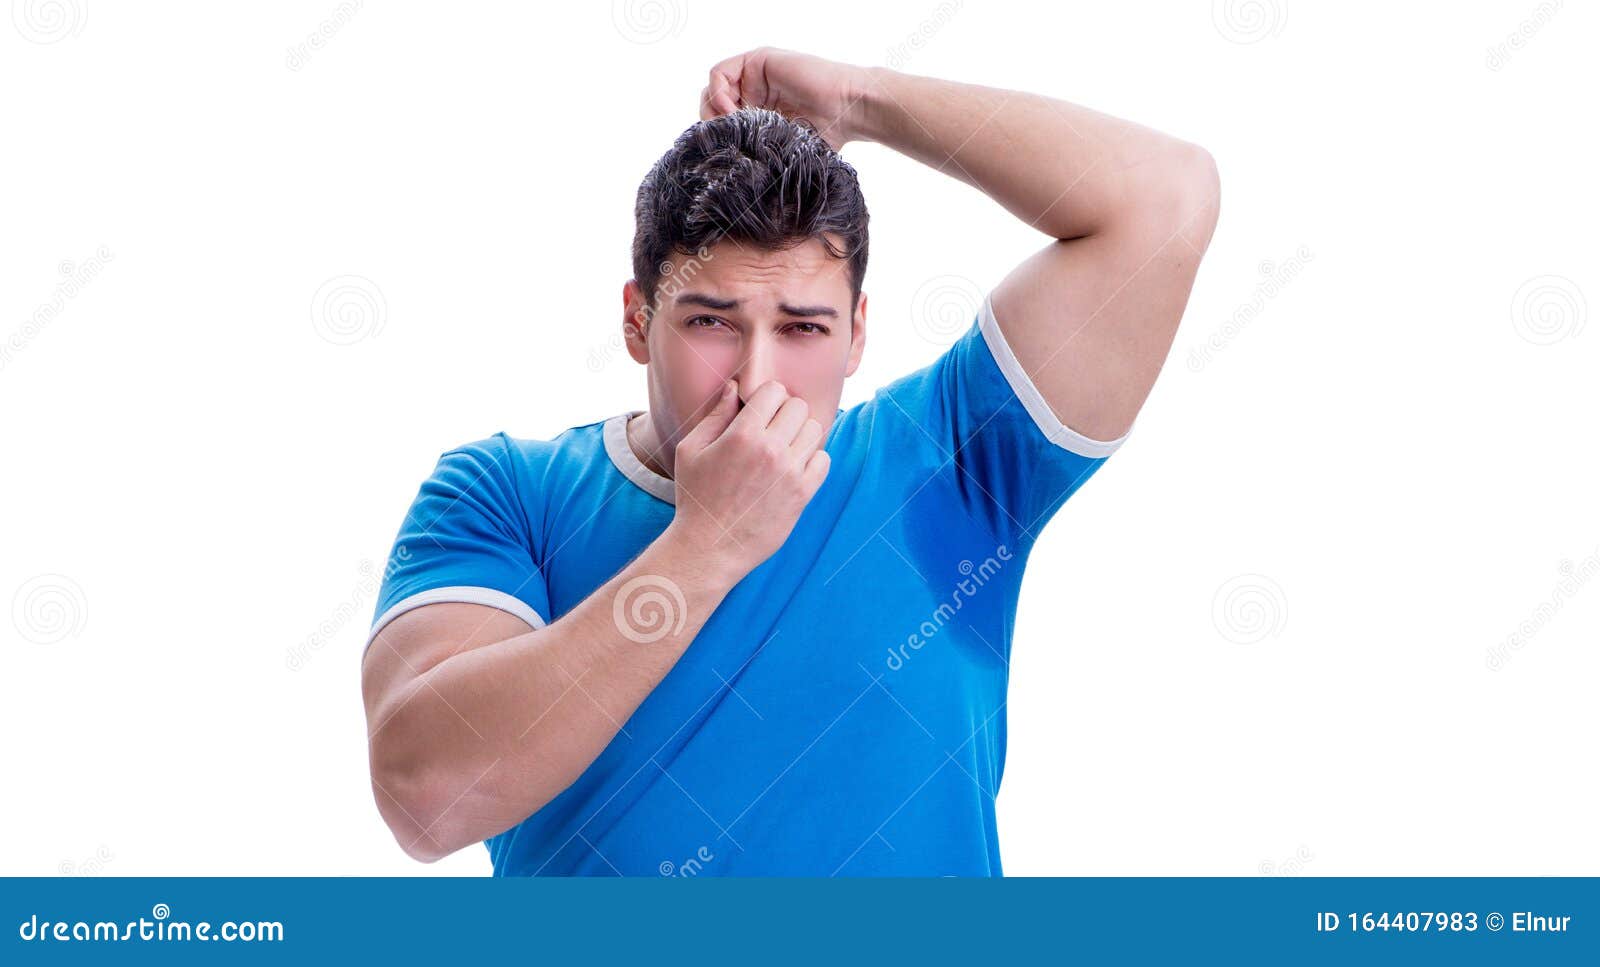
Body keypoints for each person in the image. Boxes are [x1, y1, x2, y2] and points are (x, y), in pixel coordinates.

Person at [360, 47, 1220, 876]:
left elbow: (1168, 198)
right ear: (636, 321)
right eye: (710, 321)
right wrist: (708, 544)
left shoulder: (946, 461)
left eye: (803, 328)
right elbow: (425, 795)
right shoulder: (507, 494)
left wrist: (861, 101)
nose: (756, 376)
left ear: (856, 334)